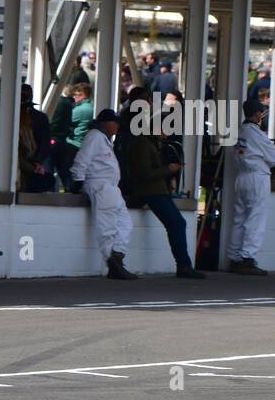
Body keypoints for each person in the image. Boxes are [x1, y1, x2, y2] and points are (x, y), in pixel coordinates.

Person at [126, 104, 205, 279]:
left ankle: (184, 264)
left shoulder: (150, 143)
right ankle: (183, 265)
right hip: (150, 191)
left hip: (155, 190)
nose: (168, 132)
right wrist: (169, 169)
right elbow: (145, 173)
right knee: (177, 223)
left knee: (177, 223)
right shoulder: (143, 144)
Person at [70, 109, 137, 280]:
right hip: (101, 186)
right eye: (114, 122)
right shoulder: (94, 136)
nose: (117, 126)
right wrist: (78, 181)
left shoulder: (104, 139)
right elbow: (82, 159)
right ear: (105, 123)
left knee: (125, 223)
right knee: (107, 226)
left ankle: (117, 255)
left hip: (111, 188)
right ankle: (112, 262)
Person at [227, 100, 275, 275]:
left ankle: (234, 257)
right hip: (257, 176)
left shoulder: (239, 131)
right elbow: (273, 157)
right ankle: (248, 257)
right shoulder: (256, 133)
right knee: (255, 219)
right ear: (257, 114)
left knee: (239, 219)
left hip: (241, 176)